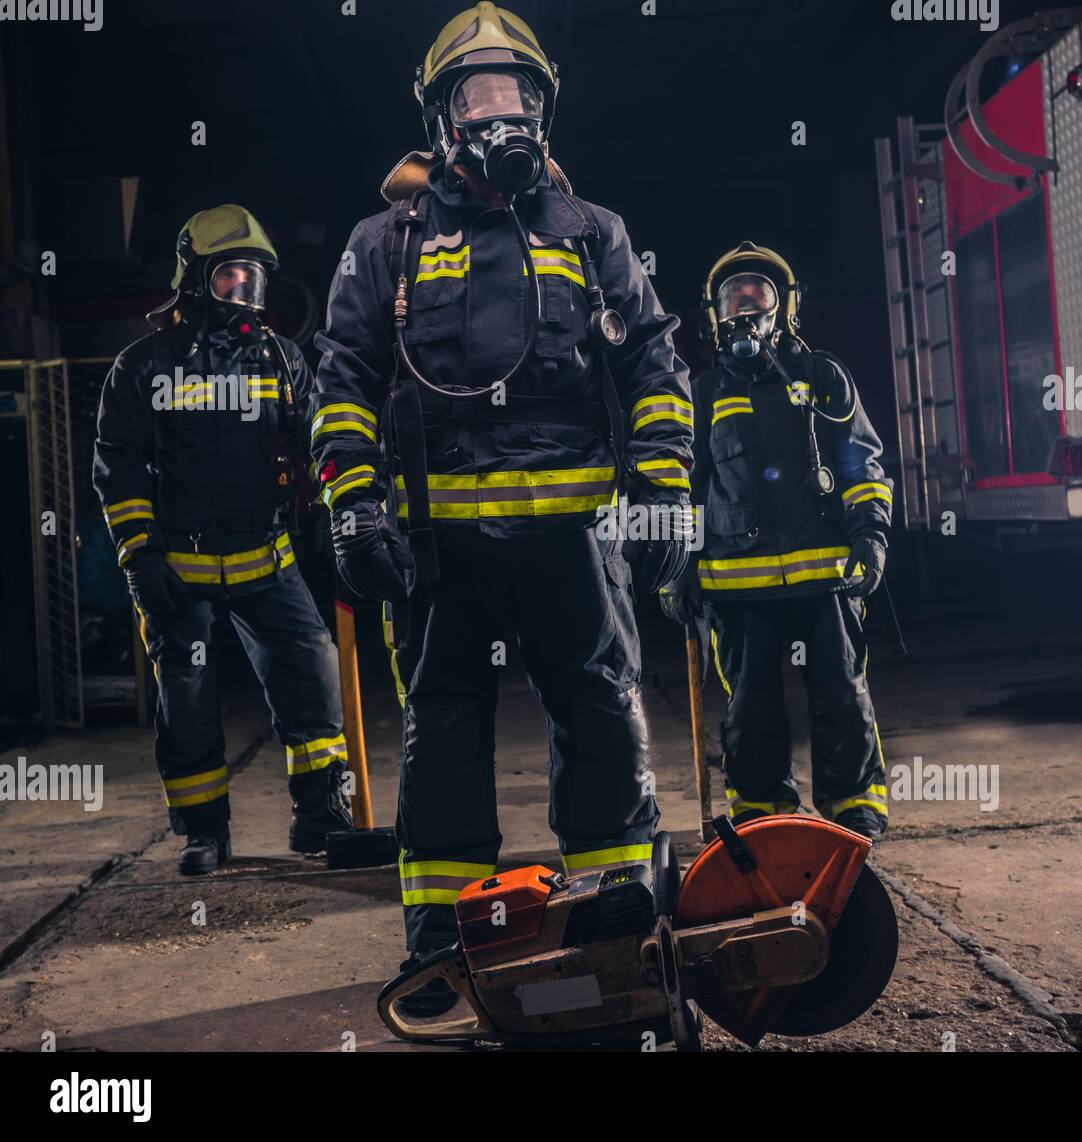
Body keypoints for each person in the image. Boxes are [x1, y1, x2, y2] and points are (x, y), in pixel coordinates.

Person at [310, 3, 693, 1011]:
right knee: (441, 737)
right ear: (441, 118)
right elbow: (341, 374)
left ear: (544, 108)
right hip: (443, 550)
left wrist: (664, 482)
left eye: (516, 93)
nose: (499, 113)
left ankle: (618, 918)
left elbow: (653, 359)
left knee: (603, 718)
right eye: (477, 96)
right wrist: (352, 499)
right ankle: (445, 942)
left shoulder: (593, 233)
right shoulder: (384, 244)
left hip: (576, 541)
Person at [93, 204, 353, 876]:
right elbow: (117, 464)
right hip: (180, 570)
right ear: (195, 278)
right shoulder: (142, 365)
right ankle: (204, 833)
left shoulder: (281, 357)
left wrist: (335, 512)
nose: (245, 290)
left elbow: (316, 444)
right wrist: (139, 554)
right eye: (231, 275)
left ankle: (320, 815)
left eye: (254, 277)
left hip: (269, 559)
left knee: (313, 674)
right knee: (189, 701)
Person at [661, 243, 893, 837]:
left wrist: (869, 535)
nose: (745, 305)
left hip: (825, 578)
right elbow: (679, 485)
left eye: (758, 294)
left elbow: (859, 463)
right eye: (732, 296)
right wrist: (676, 565)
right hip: (737, 586)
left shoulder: (821, 377)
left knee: (841, 692)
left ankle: (854, 806)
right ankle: (761, 812)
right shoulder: (702, 392)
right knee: (751, 704)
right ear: (714, 315)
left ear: (782, 308)